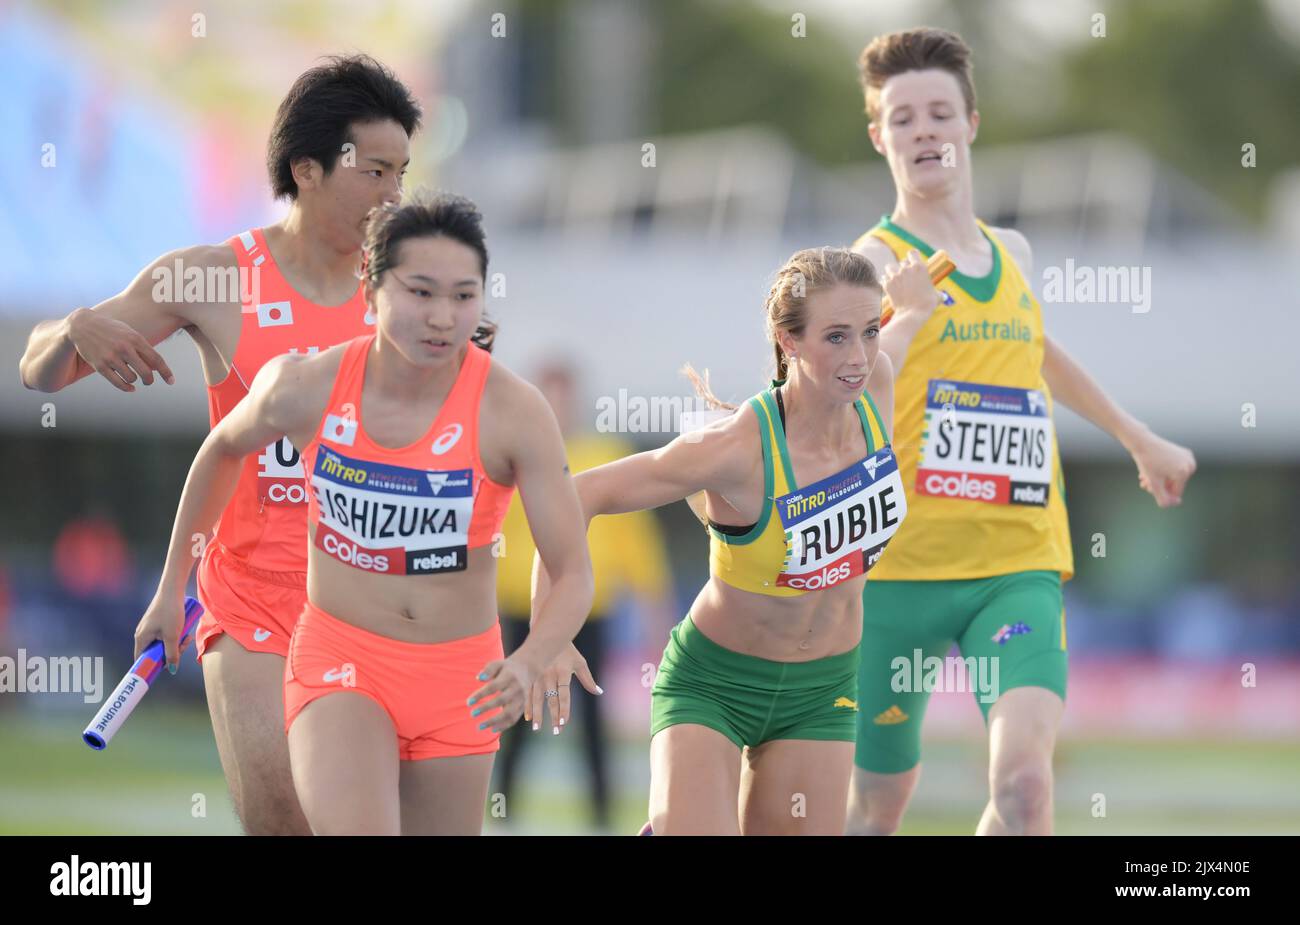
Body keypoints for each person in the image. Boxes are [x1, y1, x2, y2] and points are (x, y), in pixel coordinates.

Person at [19, 55, 423, 834]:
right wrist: (72, 326)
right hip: (252, 599)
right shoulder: (213, 280)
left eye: (403, 173)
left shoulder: (412, 292)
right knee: (283, 818)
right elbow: (40, 371)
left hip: (377, 596)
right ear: (307, 168)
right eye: (375, 171)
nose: (395, 196)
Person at [136, 192, 594, 834]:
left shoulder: (515, 412)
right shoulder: (303, 385)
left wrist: (531, 656)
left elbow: (572, 570)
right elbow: (221, 451)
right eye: (420, 292)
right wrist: (170, 589)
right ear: (371, 289)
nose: (442, 317)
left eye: (464, 297)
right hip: (341, 660)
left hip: (462, 677)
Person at [846, 27, 1197, 835]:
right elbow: (836, 394)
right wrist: (894, 320)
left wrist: (1137, 436)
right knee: (876, 807)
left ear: (972, 123)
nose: (924, 130)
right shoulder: (870, 263)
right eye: (903, 118)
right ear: (880, 137)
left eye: (940, 112)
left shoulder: (1014, 252)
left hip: (1016, 564)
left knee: (1025, 791)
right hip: (897, 574)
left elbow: (1034, 348)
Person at [534, 246, 936, 835]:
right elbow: (578, 496)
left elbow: (892, 341)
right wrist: (551, 625)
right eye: (836, 337)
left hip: (822, 692)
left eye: (869, 332)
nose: (857, 357)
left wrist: (918, 308)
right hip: (712, 686)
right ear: (788, 340)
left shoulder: (876, 384)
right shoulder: (736, 449)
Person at [493, 361, 675, 832]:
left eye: (563, 397)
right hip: (520, 611)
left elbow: (637, 542)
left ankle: (601, 819)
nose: (556, 408)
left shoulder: (602, 454)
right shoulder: (514, 455)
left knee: (594, 719)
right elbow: (493, 537)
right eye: (548, 398)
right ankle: (502, 812)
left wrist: (656, 609)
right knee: (514, 714)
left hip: (589, 612)